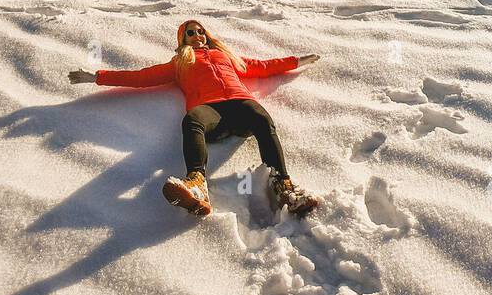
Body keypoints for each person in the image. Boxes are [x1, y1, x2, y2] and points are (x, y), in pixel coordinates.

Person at [69, 20, 320, 217]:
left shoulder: (227, 57)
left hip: (241, 105)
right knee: (192, 121)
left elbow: (264, 67)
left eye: (201, 31)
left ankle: (283, 187)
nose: (198, 36)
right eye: (191, 33)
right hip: (210, 111)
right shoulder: (179, 63)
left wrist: (297, 61)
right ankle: (196, 184)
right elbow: (140, 77)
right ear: (183, 39)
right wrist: (97, 76)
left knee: (262, 119)